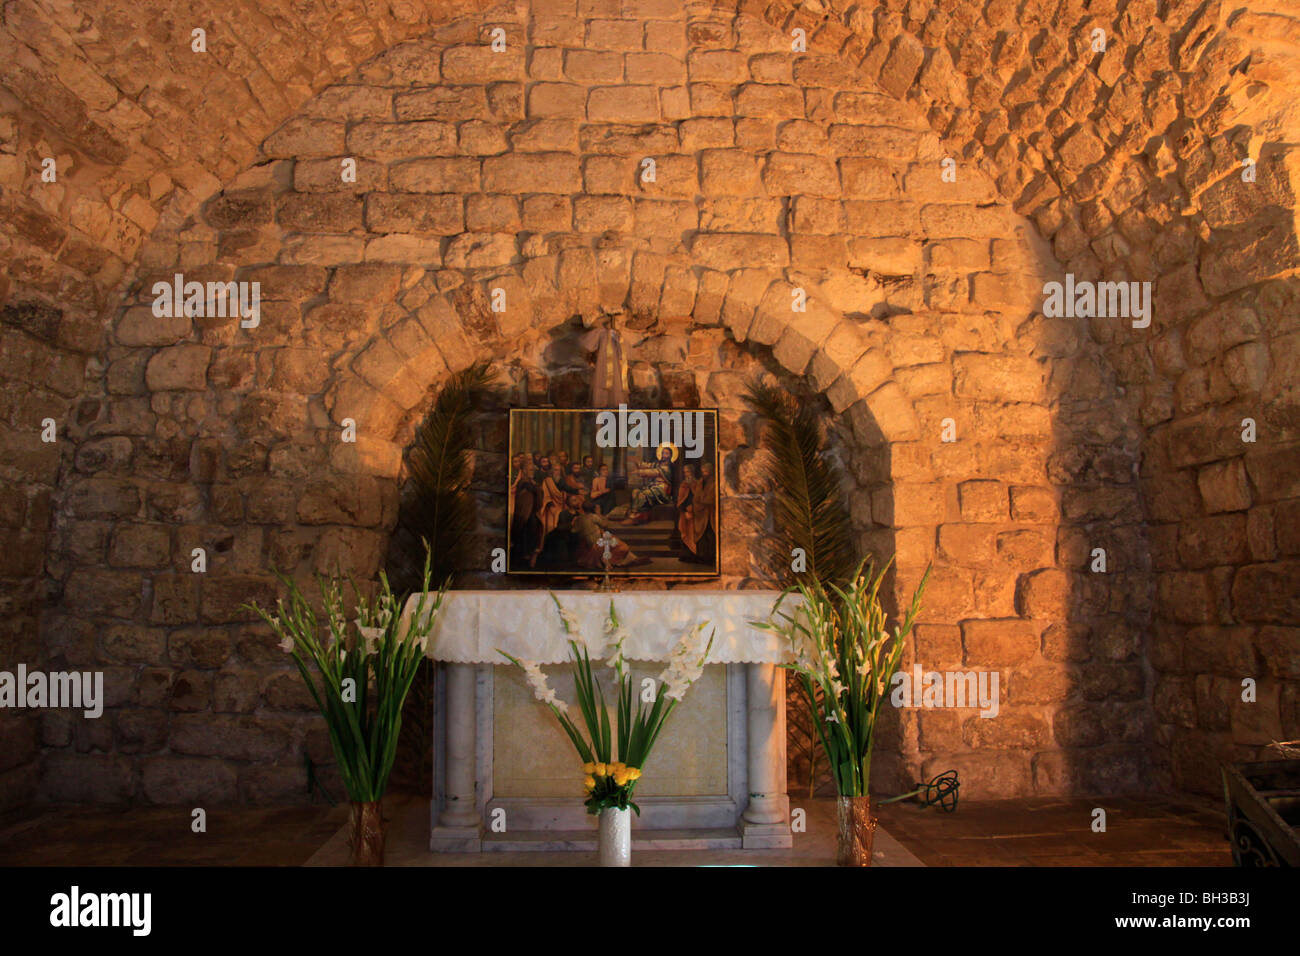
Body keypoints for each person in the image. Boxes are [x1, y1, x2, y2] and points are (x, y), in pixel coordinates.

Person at [572, 498, 649, 569]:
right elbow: (605, 524)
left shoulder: (579, 519)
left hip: (590, 542)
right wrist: (598, 514)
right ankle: (614, 560)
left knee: (613, 539)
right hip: (596, 543)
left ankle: (633, 558)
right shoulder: (593, 516)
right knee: (620, 545)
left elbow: (574, 530)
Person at [625, 444, 675, 525]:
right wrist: (636, 461)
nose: (664, 455)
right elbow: (647, 465)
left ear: (670, 456)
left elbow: (653, 472)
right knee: (635, 491)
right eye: (663, 453)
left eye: (666, 453)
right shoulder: (657, 464)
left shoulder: (668, 468)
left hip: (662, 489)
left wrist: (638, 472)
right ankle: (634, 514)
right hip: (653, 487)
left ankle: (637, 517)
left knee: (643, 494)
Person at [532, 463, 567, 568]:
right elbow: (545, 496)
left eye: (559, 471)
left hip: (561, 508)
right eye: (555, 470)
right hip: (549, 510)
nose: (557, 472)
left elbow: (564, 494)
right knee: (549, 529)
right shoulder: (547, 481)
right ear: (551, 472)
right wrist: (549, 503)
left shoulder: (562, 482)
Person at [510, 460, 541, 566]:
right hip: (524, 514)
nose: (532, 472)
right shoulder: (523, 482)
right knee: (525, 534)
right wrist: (536, 487)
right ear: (524, 470)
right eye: (530, 470)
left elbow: (538, 493)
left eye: (533, 470)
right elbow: (534, 490)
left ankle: (530, 556)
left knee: (534, 531)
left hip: (531, 512)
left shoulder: (531, 482)